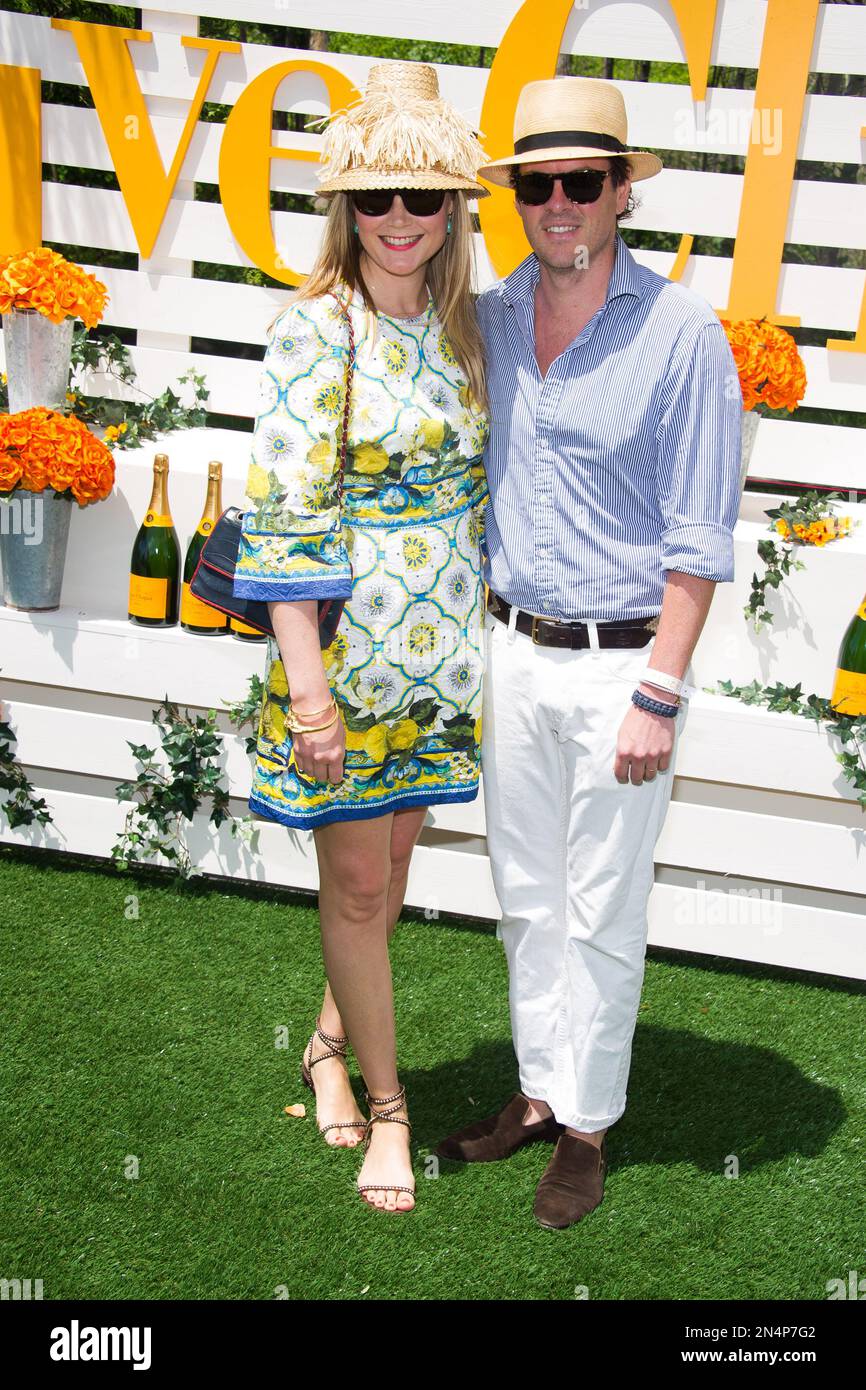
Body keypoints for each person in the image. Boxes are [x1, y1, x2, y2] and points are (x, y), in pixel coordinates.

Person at [435, 77, 743, 1229]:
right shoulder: (497, 316)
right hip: (511, 649)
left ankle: (586, 1124)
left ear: (619, 193)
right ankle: (531, 1086)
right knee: (523, 890)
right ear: (515, 193)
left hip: (625, 669)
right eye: (535, 182)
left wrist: (656, 691)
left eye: (580, 181)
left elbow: (698, 532)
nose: (556, 202)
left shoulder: (681, 335)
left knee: (602, 901)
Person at [232, 62, 490, 1214]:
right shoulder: (309, 332)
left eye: (421, 199)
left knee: (385, 880)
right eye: (376, 199)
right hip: (341, 667)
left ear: (452, 212)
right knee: (350, 890)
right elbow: (283, 524)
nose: (397, 220)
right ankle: (391, 1110)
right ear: (346, 209)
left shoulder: (466, 332)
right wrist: (309, 695)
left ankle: (326, 1044)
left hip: (440, 662)